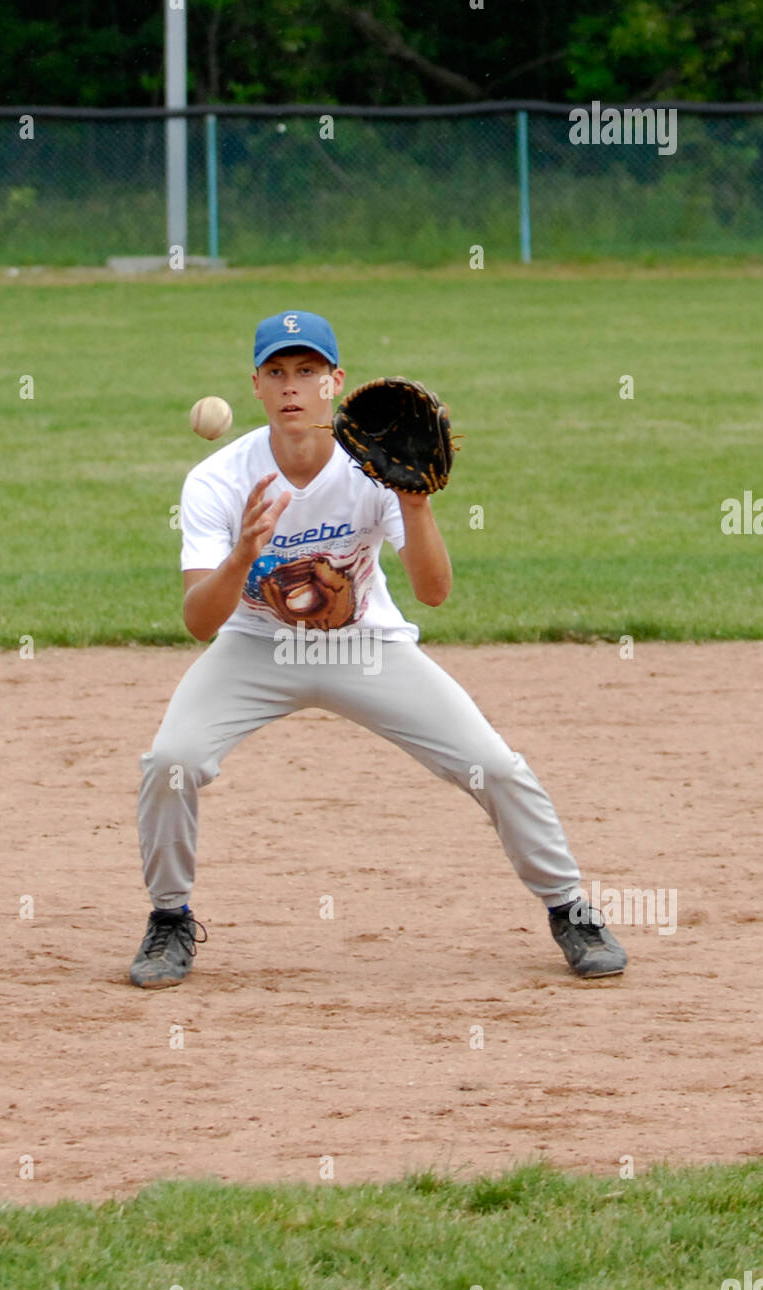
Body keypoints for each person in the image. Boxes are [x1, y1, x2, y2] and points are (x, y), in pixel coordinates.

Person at [129, 310, 627, 988]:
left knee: (493, 765)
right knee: (171, 761)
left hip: (364, 646)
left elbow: (434, 593)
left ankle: (570, 908)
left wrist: (417, 507)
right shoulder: (218, 480)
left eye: (307, 371)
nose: (291, 387)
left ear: (336, 382)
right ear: (255, 386)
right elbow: (197, 621)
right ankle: (169, 919)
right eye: (276, 372)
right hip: (255, 648)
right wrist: (245, 550)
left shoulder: (373, 468)